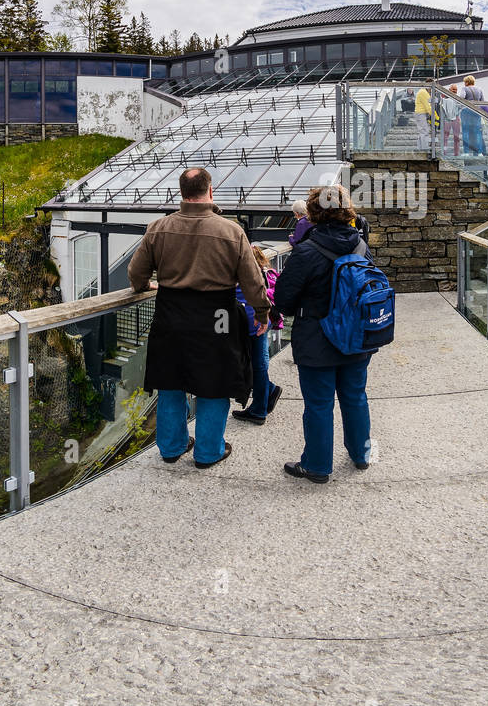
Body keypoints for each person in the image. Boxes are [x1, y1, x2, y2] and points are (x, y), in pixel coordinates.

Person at [130, 166, 272, 470]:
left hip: (171, 314)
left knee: (170, 380)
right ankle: (208, 452)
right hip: (217, 316)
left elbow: (136, 273)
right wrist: (261, 313)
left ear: (182, 193)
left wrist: (144, 287)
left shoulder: (158, 228)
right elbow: (252, 280)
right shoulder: (231, 231)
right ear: (211, 191)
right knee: (215, 382)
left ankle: (172, 447)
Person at [271, 184, 377, 480]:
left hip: (317, 339)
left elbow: (283, 301)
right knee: (355, 396)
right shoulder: (361, 246)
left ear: (314, 212)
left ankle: (317, 466)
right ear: (347, 210)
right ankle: (361, 454)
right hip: (356, 338)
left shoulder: (306, 251)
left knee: (318, 404)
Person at [232, 243, 283, 424]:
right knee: (258, 364)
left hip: (249, 323)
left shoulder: (239, 273)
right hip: (262, 320)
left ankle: (260, 407)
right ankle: (267, 394)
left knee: (250, 365)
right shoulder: (262, 272)